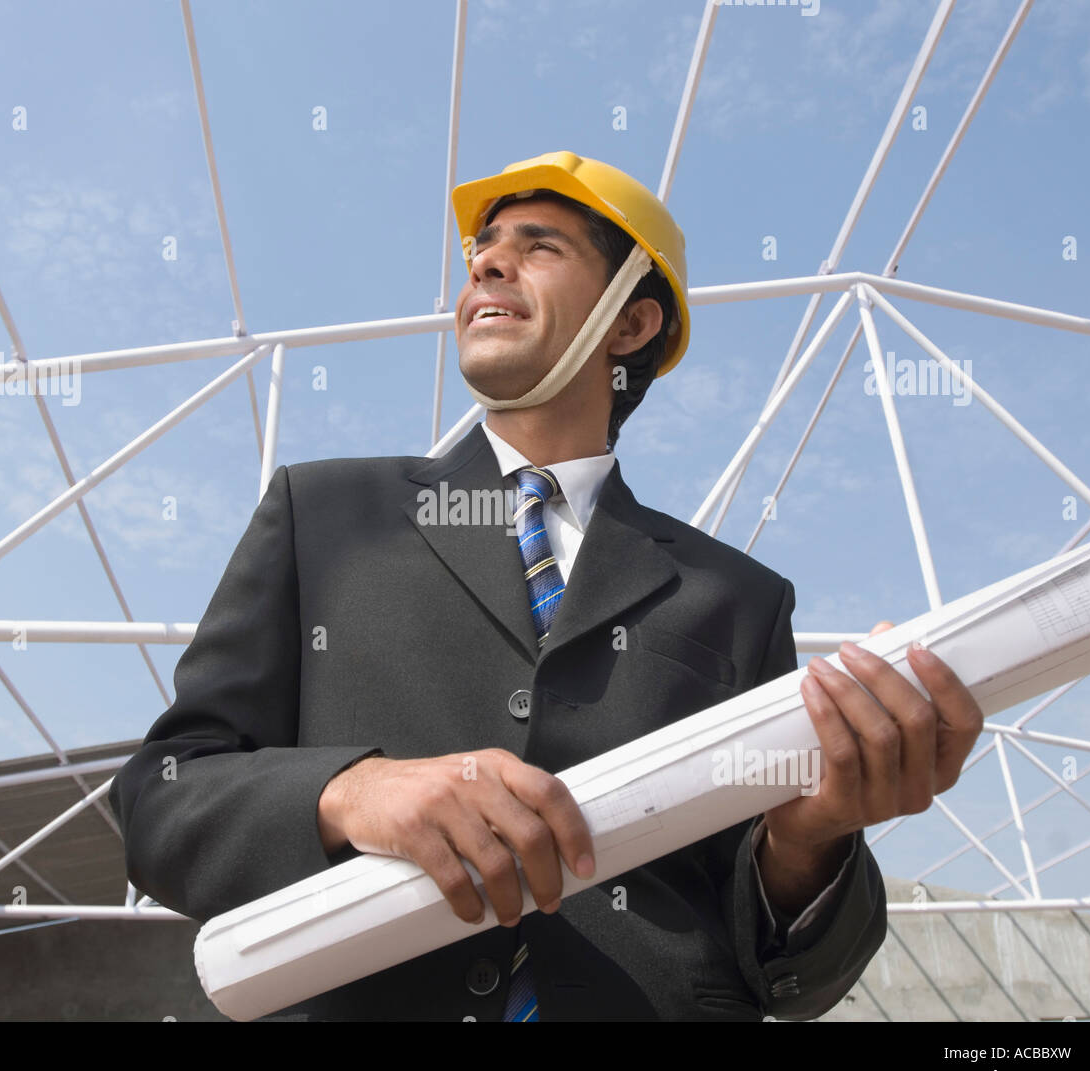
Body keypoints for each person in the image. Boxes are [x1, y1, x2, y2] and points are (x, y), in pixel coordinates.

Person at [110, 151, 983, 1021]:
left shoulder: (742, 599)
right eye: (484, 248)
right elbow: (162, 796)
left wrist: (811, 840)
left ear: (632, 323)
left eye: (539, 247)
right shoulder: (322, 513)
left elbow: (791, 971)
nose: (487, 262)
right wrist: (350, 792)